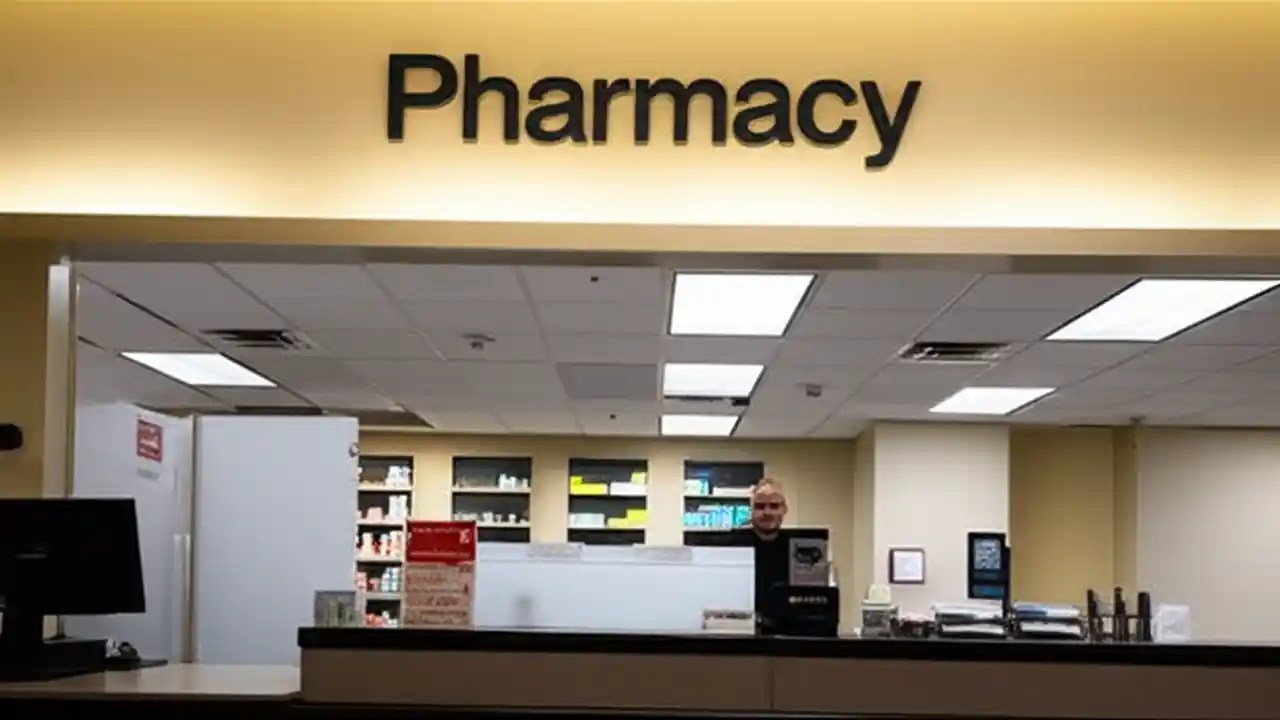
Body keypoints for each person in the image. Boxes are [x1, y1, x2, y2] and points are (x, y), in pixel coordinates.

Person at [740, 478, 790, 634]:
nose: (767, 512)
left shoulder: (799, 549)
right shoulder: (734, 545)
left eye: (774, 506)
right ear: (751, 510)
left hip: (788, 633)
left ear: (784, 510)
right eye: (760, 506)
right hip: (738, 631)